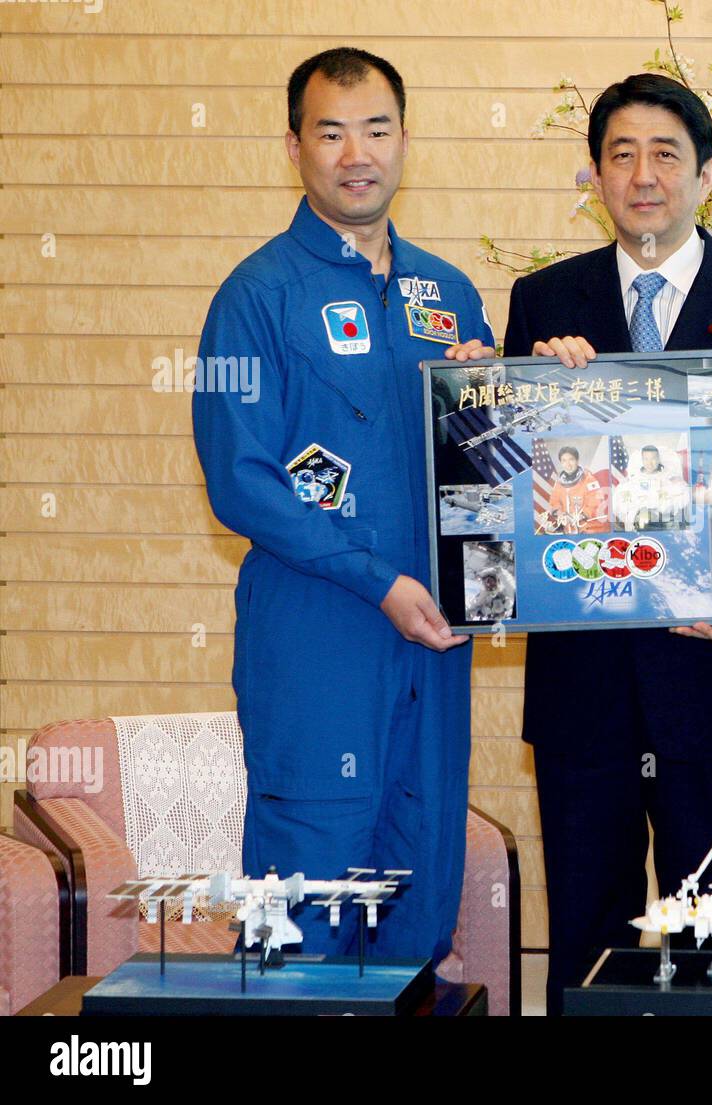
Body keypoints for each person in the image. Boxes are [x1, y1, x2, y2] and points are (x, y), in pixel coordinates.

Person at [496, 73, 712, 1014]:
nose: (644, 175)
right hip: (582, 692)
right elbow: (512, 484)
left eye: (667, 154)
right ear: (594, 173)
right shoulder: (544, 301)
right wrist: (521, 394)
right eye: (621, 154)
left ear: (707, 174)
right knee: (587, 942)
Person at [192, 47, 495, 964]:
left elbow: (490, 473)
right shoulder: (255, 297)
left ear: (406, 140)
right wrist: (378, 581)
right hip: (319, 639)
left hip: (435, 647)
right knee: (303, 915)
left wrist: (517, 401)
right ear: (294, 147)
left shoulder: (447, 293)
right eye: (331, 132)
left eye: (376, 129)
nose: (356, 153)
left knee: (420, 900)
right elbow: (241, 479)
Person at [616, 444, 690, 530]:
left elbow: (682, 496)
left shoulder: (669, 478)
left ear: (658, 459)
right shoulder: (634, 480)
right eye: (646, 459)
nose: (649, 463)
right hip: (639, 522)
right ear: (642, 460)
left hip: (664, 521)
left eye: (653, 458)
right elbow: (622, 501)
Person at [542, 445, 608, 533]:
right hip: (569, 530)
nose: (568, 464)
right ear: (561, 463)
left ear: (577, 460)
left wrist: (580, 516)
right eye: (564, 461)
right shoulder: (559, 483)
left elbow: (596, 504)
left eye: (571, 459)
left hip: (591, 529)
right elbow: (554, 502)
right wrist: (561, 515)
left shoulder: (589, 480)